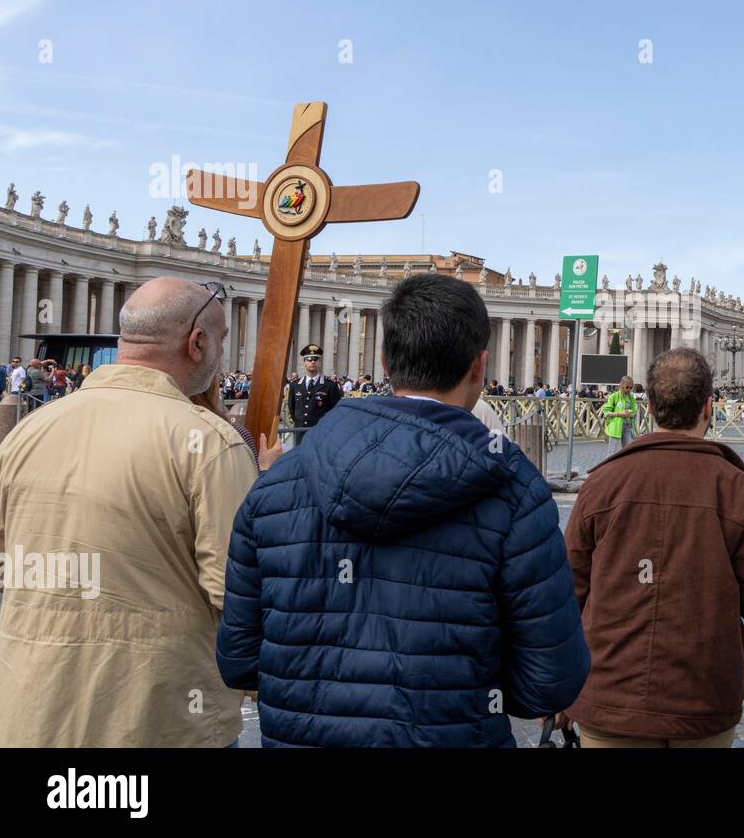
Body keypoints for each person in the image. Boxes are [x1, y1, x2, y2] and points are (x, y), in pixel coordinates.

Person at [216, 272, 589, 747]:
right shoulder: (518, 493)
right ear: (479, 366)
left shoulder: (275, 488)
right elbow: (549, 681)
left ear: (385, 361)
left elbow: (239, 660)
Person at [0, 278, 258, 746]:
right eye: (220, 339)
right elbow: (238, 595)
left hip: (31, 712)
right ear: (198, 343)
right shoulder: (210, 443)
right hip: (158, 719)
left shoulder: (28, 430)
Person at [560, 348, 744, 747]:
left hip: (610, 699)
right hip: (702, 701)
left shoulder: (601, 484)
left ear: (648, 407)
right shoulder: (740, 491)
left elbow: (564, 595)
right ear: (709, 407)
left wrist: (555, 687)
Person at [287, 344, 343, 430]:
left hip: (321, 431)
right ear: (304, 363)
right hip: (300, 431)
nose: (312, 362)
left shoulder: (330, 385)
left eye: (316, 359)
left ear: (320, 363)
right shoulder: (295, 385)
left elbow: (335, 410)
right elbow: (291, 408)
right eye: (309, 359)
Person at [600, 375, 637, 458]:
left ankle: (625, 469)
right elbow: (606, 412)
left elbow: (635, 412)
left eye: (631, 388)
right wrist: (620, 414)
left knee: (628, 451)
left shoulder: (631, 398)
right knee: (612, 452)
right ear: (622, 385)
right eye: (627, 387)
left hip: (628, 427)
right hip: (616, 427)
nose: (628, 390)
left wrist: (630, 413)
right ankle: (608, 469)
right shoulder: (614, 396)